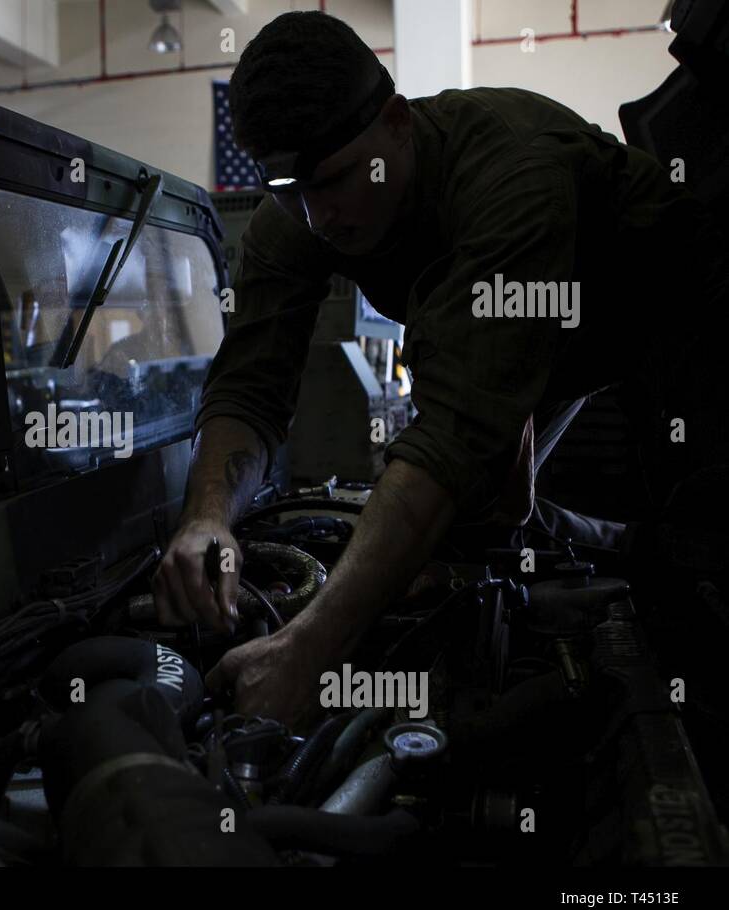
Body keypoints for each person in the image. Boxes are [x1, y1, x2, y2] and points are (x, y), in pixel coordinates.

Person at [152, 10, 729, 727]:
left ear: (396, 120)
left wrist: (307, 652)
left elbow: (454, 436)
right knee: (467, 538)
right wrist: (207, 521)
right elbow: (250, 385)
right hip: (529, 341)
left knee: (699, 562)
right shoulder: (302, 209)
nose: (317, 217)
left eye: (332, 183)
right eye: (290, 192)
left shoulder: (516, 174)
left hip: (680, 327)